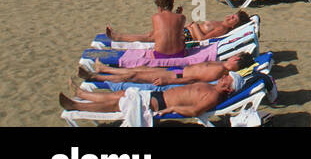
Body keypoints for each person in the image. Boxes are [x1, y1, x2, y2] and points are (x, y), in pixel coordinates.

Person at [59, 72, 242, 117]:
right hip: (159, 95)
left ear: (229, 89)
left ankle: (76, 105)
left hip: (160, 104)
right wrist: (168, 81)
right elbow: (188, 84)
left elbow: (195, 111)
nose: (223, 77)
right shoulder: (212, 87)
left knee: (117, 103)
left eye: (227, 78)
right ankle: (82, 93)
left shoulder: (214, 97)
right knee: (121, 94)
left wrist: (171, 108)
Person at [80, 52, 253, 86]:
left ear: (236, 58)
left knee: (134, 75)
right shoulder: (221, 64)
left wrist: (168, 80)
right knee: (140, 68)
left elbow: (193, 80)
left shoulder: (218, 71)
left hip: (177, 75)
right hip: (178, 69)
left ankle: (96, 77)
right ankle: (103, 68)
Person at [105, 0, 187, 56]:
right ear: (172, 6)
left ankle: (117, 37)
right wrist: (178, 14)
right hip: (179, 54)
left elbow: (158, 32)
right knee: (157, 34)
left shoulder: (156, 17)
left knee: (149, 35)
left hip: (160, 55)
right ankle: (117, 36)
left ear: (159, 7)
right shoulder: (182, 17)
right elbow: (171, 25)